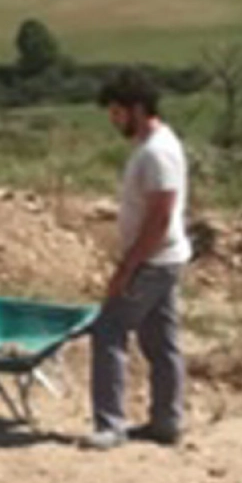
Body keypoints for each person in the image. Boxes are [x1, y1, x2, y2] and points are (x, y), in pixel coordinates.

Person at [86, 69, 191, 450]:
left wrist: (128, 267)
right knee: (161, 342)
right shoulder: (154, 145)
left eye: (117, 112)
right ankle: (166, 422)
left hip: (153, 260)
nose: (114, 121)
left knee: (108, 330)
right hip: (164, 258)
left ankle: (109, 425)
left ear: (137, 108)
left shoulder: (157, 153)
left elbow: (160, 217)